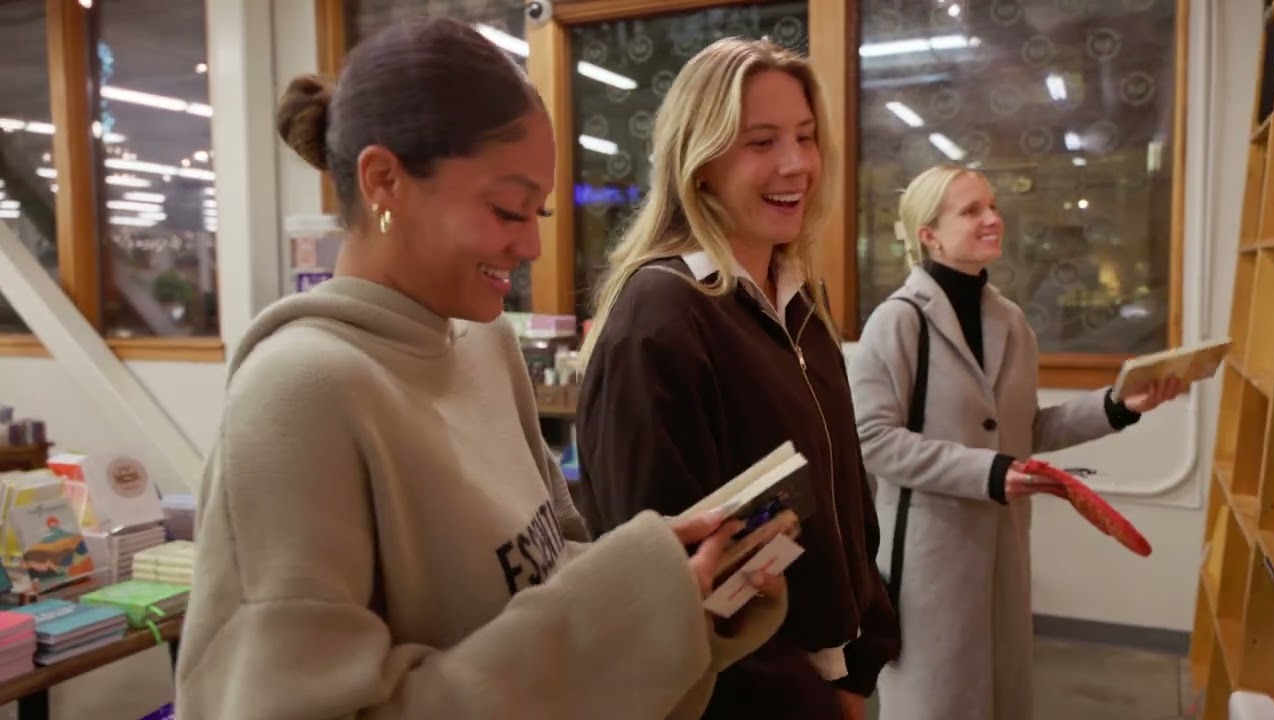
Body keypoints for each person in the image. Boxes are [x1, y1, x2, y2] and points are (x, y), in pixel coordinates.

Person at [174, 17, 791, 720]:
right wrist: (630, 610)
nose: (531, 245)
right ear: (384, 181)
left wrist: (679, 597)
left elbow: (555, 561)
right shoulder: (300, 395)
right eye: (506, 210)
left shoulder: (484, 342)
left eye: (541, 211)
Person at [574, 37, 898, 720]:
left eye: (805, 137)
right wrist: (806, 697)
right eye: (760, 142)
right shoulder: (661, 317)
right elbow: (663, 572)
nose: (795, 164)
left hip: (832, 675)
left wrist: (861, 655)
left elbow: (843, 489)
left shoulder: (801, 298)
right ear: (700, 164)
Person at [848, 163, 1187, 720]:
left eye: (993, 206)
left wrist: (1118, 405)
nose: (993, 219)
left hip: (1004, 547)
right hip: (930, 554)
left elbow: (1025, 430)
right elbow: (873, 440)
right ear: (928, 233)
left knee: (1002, 699)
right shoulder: (897, 322)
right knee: (936, 703)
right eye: (972, 210)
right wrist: (985, 471)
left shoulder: (1009, 320)